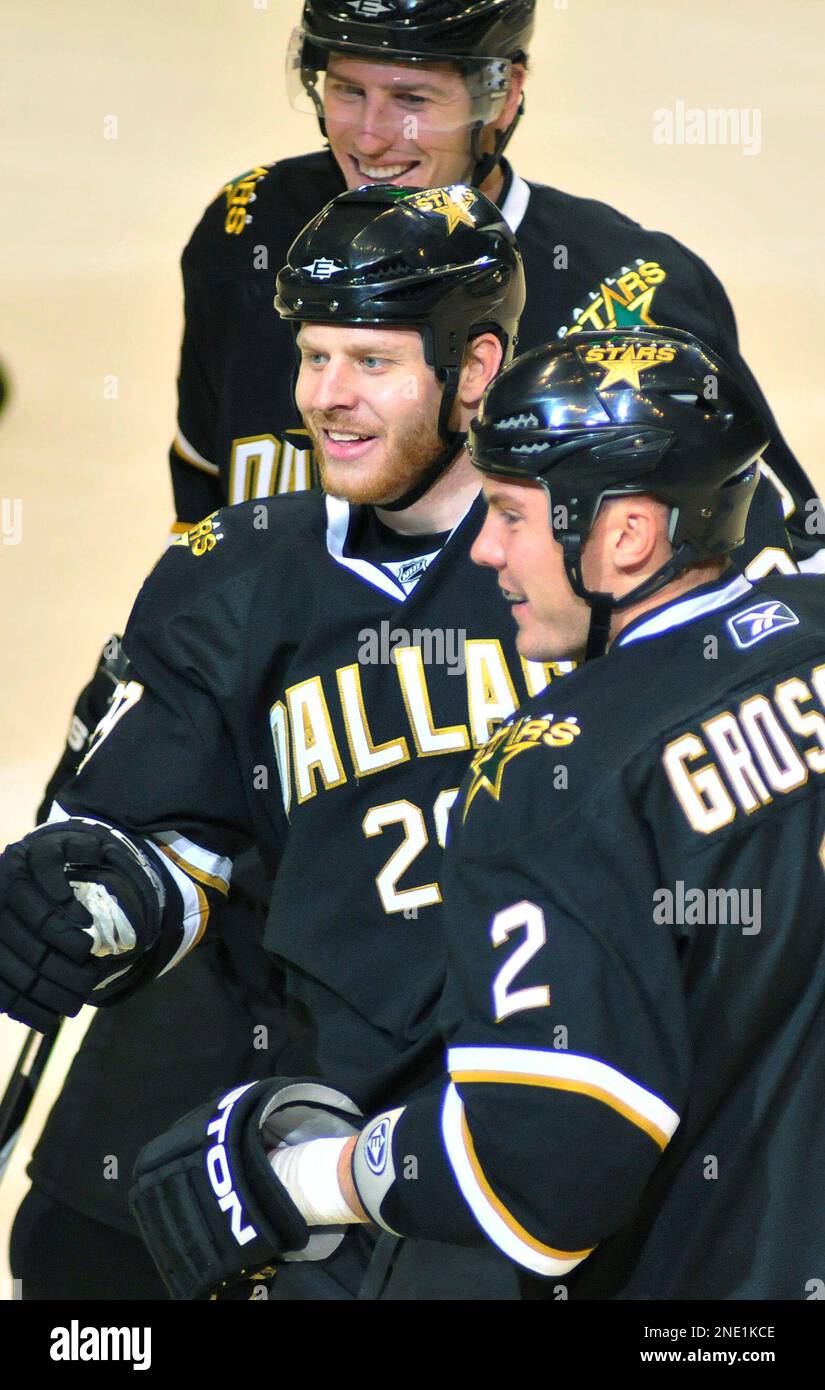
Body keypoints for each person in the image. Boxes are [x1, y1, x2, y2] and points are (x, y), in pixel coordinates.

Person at [13, 0, 821, 1297]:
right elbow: (223, 545)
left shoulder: (626, 293)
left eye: (414, 99)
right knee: (82, 1260)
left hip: (508, 908)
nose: (373, 137)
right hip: (292, 865)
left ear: (502, 95)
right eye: (346, 89)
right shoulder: (247, 238)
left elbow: (757, 583)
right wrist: (125, 870)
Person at [130, 327, 825, 1301]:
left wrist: (307, 1176)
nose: (488, 549)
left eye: (509, 513)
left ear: (626, 535)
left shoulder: (556, 777)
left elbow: (550, 1173)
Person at [1, 182, 543, 1301]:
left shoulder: (575, 575)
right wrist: (104, 897)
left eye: (372, 362)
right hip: (249, 1053)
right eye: (312, 357)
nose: (327, 400)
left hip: (491, 1097)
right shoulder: (228, 563)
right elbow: (173, 840)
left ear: (476, 371)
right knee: (72, 1267)